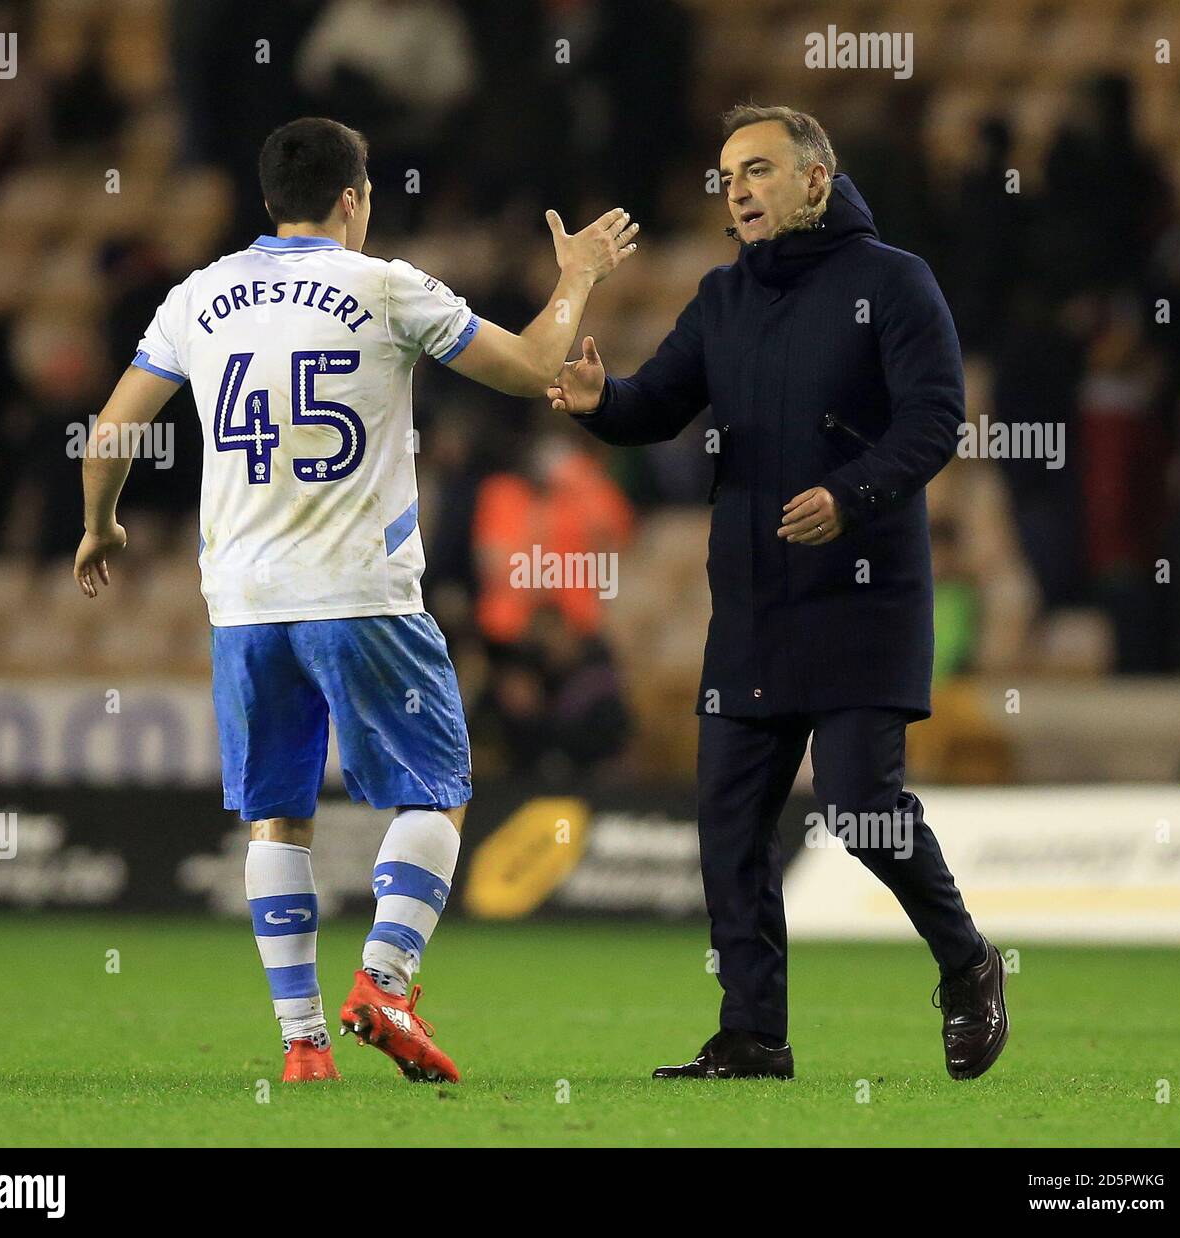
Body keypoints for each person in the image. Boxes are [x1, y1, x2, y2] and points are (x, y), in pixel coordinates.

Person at [73, 117, 637, 1084]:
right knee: (437, 791)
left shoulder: (198, 298)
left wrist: (101, 525)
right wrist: (579, 273)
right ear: (353, 199)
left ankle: (301, 1048)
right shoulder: (385, 286)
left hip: (244, 602)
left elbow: (109, 433)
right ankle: (385, 978)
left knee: (277, 820)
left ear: (268, 201)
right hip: (361, 592)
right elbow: (539, 366)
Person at [549, 104, 1008, 1081]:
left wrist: (850, 496)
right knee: (727, 825)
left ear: (814, 179)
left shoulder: (893, 282)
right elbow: (658, 402)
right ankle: (753, 1033)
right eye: (726, 178)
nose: (738, 190)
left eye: (756, 170)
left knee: (857, 805)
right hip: (753, 606)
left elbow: (935, 417)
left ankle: (966, 960)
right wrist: (601, 403)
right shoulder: (722, 297)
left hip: (862, 594)